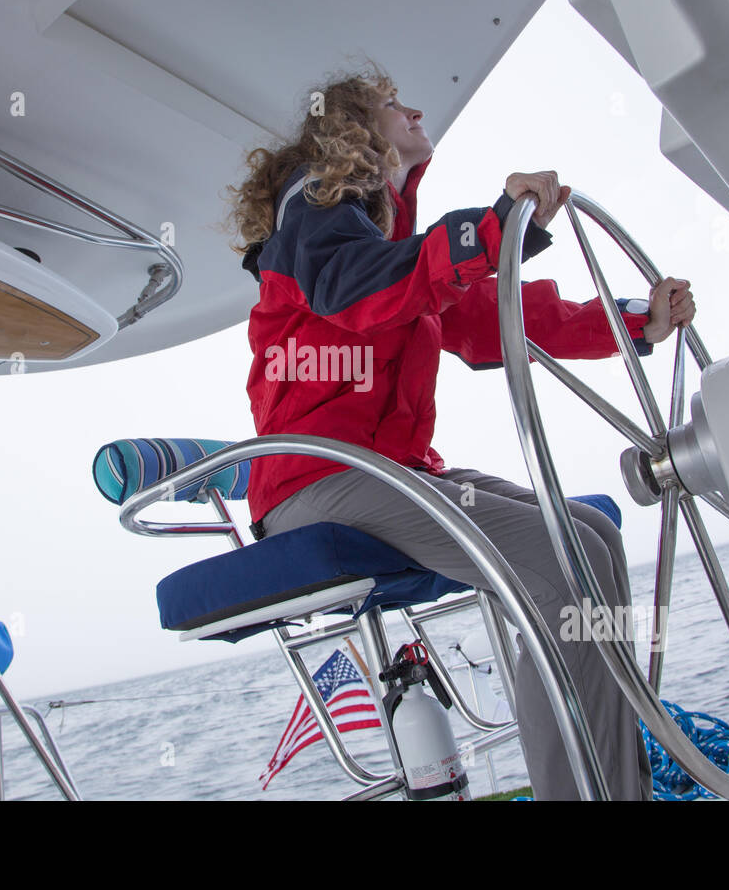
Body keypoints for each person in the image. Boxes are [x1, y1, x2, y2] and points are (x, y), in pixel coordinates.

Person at [228, 66, 695, 800]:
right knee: (559, 565)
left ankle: (602, 782)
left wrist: (637, 321)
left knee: (592, 538)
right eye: (389, 105)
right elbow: (355, 287)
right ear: (349, 127)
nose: (412, 108)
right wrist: (487, 228)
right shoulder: (312, 210)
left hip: (391, 475)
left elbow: (504, 315)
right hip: (318, 482)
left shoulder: (395, 252)